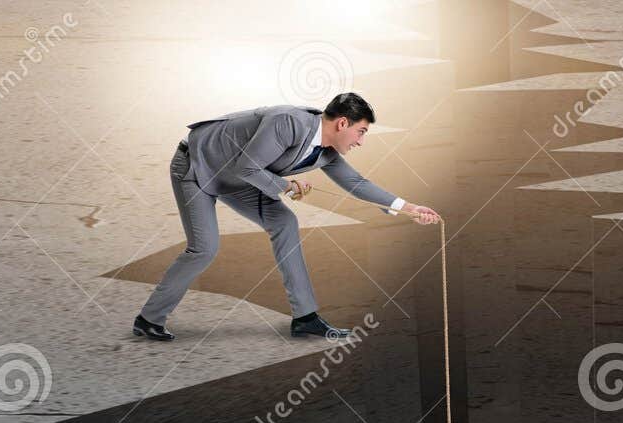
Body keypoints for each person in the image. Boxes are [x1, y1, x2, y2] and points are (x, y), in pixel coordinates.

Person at [133, 93, 441, 342]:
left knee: (284, 223)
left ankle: (305, 318)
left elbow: (356, 184)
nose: (360, 141)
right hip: (197, 168)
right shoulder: (287, 122)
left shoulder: (327, 150)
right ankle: (148, 319)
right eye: (360, 132)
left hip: (239, 180)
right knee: (205, 248)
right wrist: (285, 186)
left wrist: (408, 208)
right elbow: (248, 167)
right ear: (343, 123)